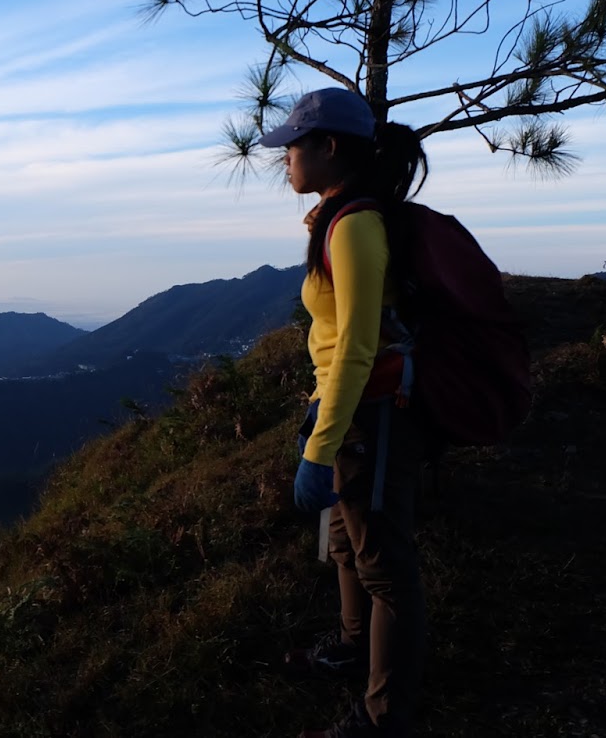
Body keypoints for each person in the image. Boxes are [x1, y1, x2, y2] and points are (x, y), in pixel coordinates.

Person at [257, 87, 430, 738]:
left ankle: (384, 716)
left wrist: (318, 447)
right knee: (345, 545)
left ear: (329, 147)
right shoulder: (337, 218)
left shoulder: (356, 225)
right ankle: (353, 650)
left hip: (376, 408)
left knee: (386, 567)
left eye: (294, 146)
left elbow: (358, 345)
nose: (286, 160)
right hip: (346, 404)